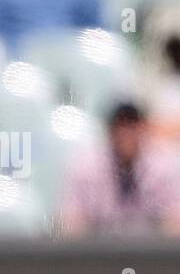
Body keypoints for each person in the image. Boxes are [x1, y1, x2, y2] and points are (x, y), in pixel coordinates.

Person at [60, 101, 180, 236]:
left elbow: (175, 219)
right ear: (110, 131)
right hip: (99, 249)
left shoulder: (162, 166)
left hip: (149, 250)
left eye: (132, 126)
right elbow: (72, 220)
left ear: (142, 130)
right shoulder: (87, 167)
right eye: (121, 127)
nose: (126, 134)